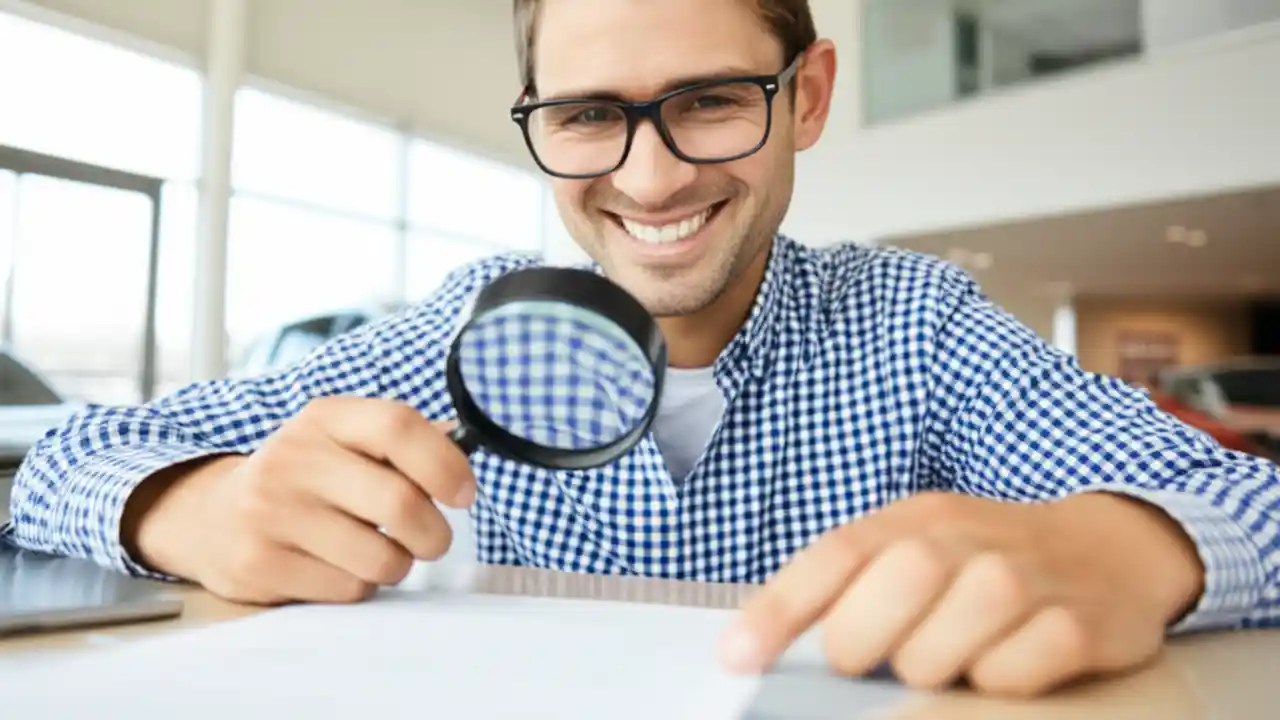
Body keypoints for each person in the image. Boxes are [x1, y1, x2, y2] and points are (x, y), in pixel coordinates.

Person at [4, 0, 1277, 698]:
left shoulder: (916, 328)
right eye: (587, 116)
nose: (650, 175)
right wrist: (190, 503)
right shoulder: (465, 324)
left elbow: (1252, 500)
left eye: (711, 101)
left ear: (809, 98)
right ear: (536, 128)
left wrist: (1128, 548)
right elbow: (71, 450)